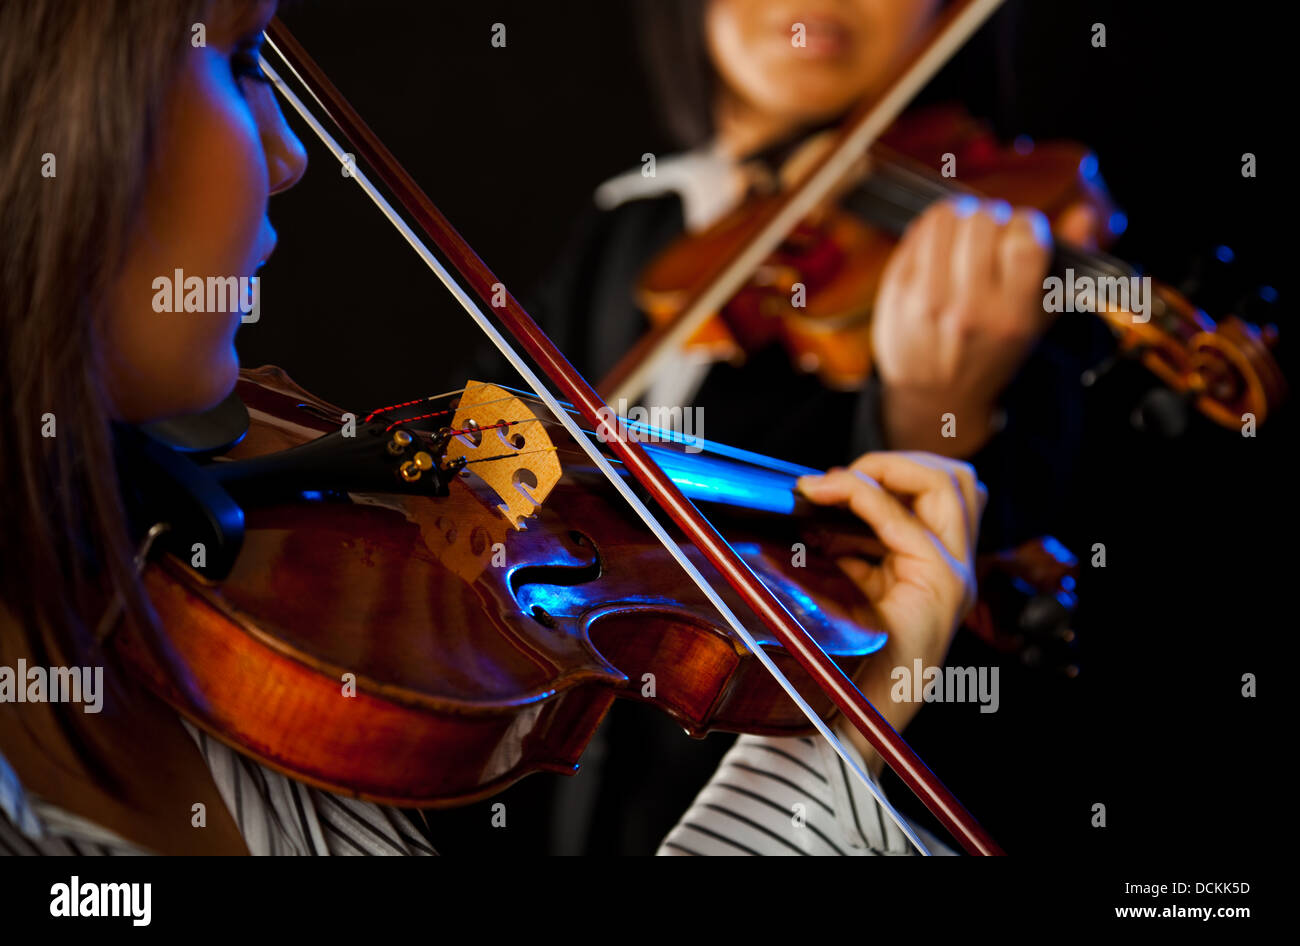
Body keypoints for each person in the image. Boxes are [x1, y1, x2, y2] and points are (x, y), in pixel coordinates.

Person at [0, 0, 982, 856]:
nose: (292, 153)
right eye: (239, 54)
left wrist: (826, 748)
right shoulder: (626, 232)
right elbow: (501, 439)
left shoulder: (198, 637)